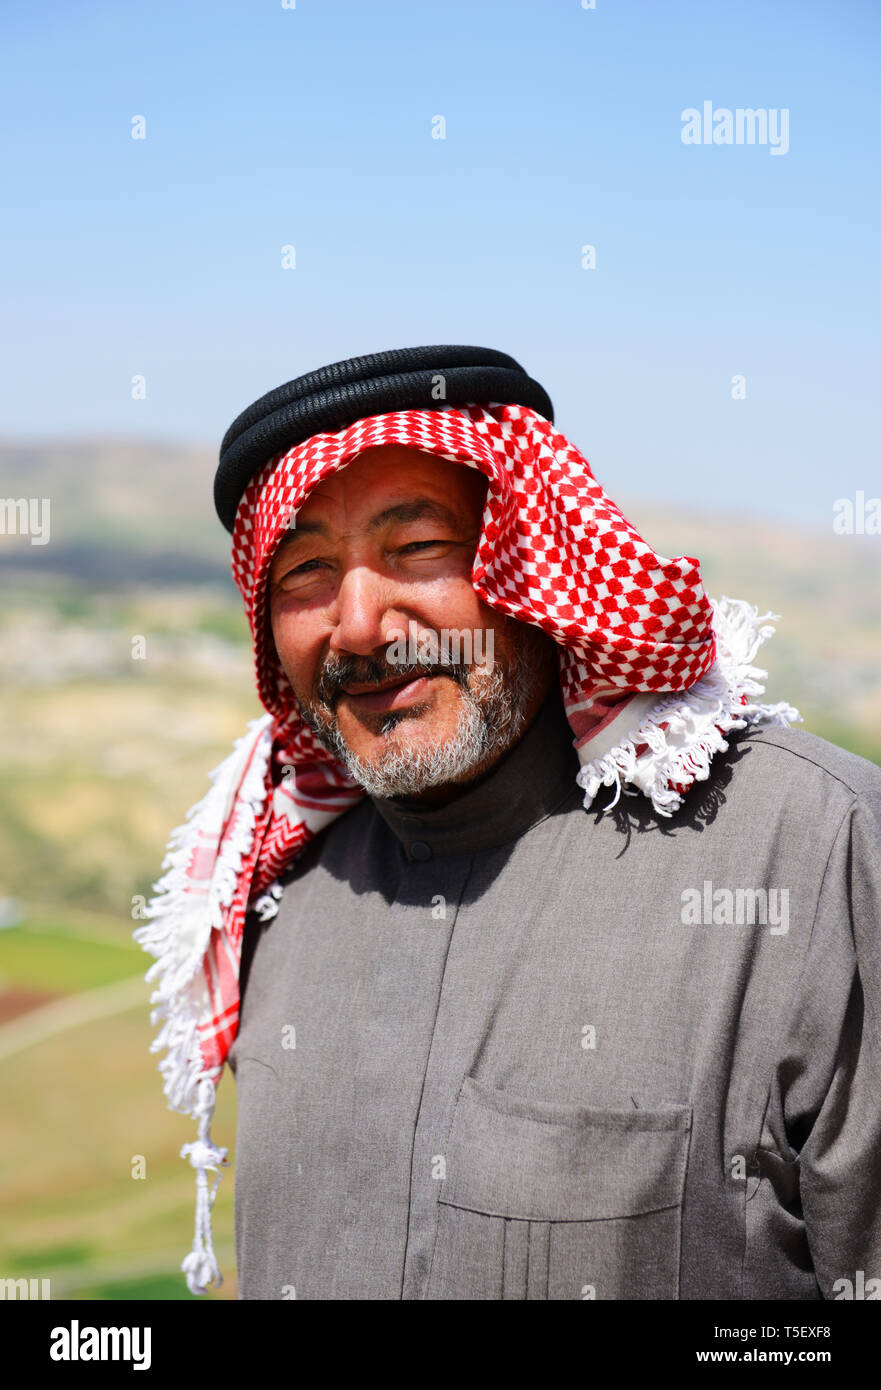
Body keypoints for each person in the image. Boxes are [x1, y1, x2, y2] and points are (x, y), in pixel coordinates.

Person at [136, 345, 881, 1301]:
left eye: (418, 550)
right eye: (308, 571)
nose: (359, 623)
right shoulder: (281, 892)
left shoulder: (809, 851)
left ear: (532, 561)